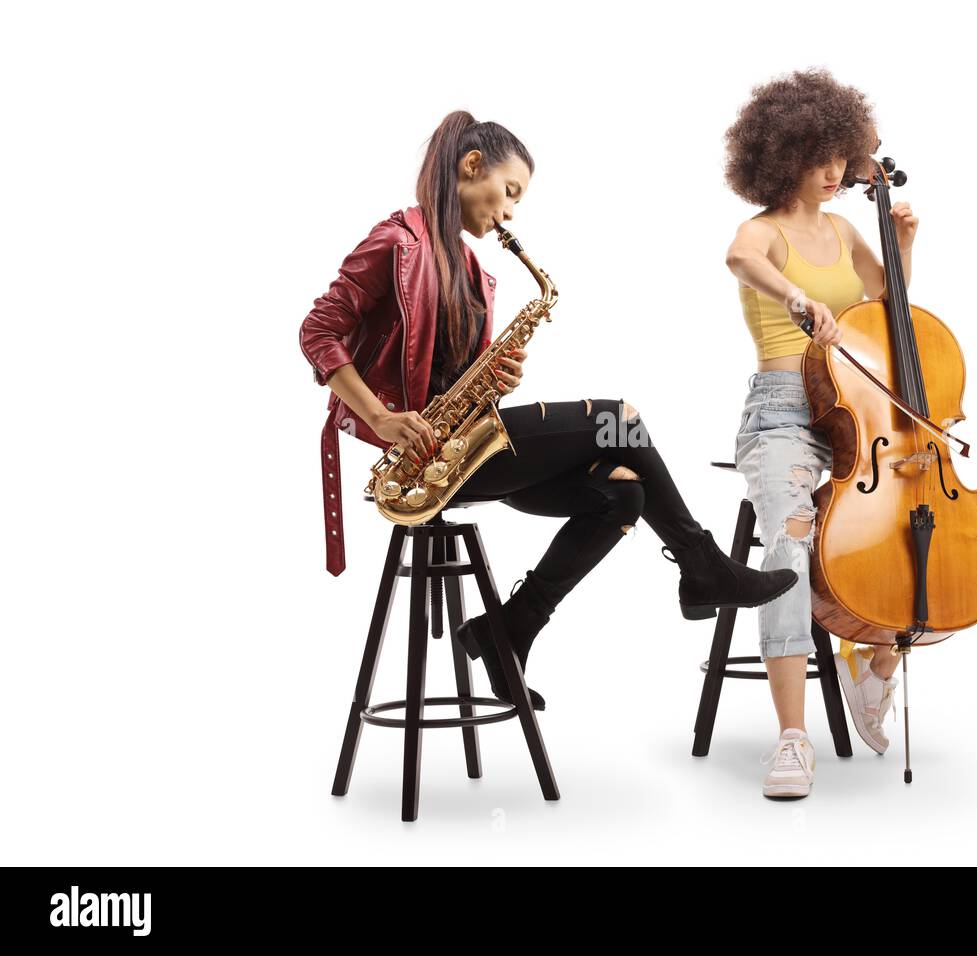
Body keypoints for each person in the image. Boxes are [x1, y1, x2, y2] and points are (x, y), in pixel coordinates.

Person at [300, 110, 797, 711]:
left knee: (625, 495)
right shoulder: (395, 242)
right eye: (509, 192)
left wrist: (495, 379)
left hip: (467, 448)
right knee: (621, 419)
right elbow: (318, 330)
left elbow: (458, 381)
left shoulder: (476, 273)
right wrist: (381, 418)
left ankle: (509, 628)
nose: (509, 213)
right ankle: (702, 562)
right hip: (424, 461)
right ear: (470, 166)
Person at [722, 69, 920, 798]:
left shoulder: (841, 227)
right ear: (781, 157)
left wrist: (899, 246)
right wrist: (797, 296)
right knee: (788, 547)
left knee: (926, 530)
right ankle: (793, 737)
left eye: (841, 155)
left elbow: (884, 305)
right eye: (818, 157)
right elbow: (740, 260)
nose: (835, 171)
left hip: (860, 412)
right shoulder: (765, 232)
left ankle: (874, 671)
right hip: (780, 414)